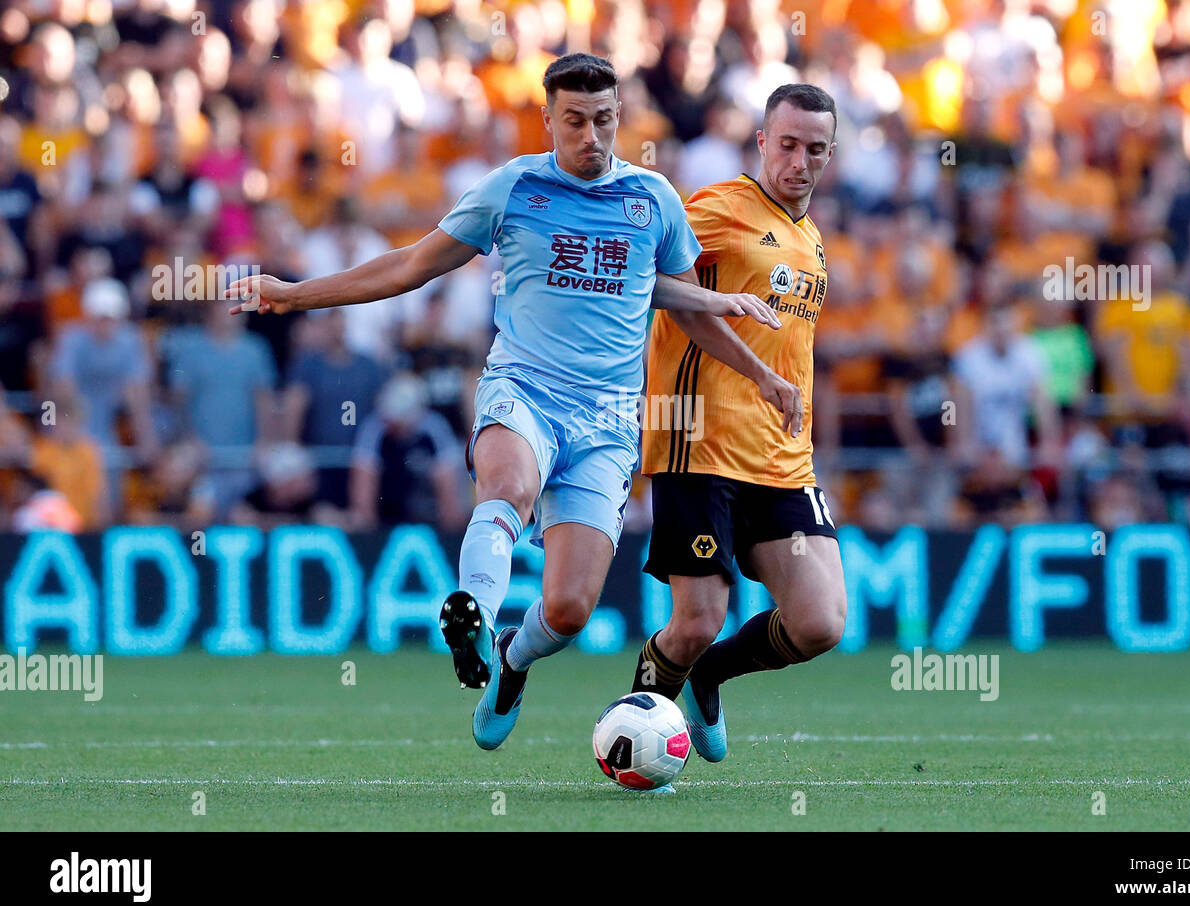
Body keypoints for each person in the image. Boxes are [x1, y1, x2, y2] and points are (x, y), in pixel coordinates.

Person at [224, 53, 800, 751]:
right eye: (576, 121)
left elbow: (674, 297)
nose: (592, 135)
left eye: (605, 120)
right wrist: (295, 293)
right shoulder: (514, 187)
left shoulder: (653, 199)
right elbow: (411, 264)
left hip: (609, 421)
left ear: (621, 116)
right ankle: (473, 609)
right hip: (524, 387)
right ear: (548, 119)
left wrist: (761, 372)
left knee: (568, 608)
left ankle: (511, 658)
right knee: (507, 486)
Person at [629, 84, 848, 765]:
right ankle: (635, 735)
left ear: (830, 155)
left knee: (820, 622)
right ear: (761, 142)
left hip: (782, 457)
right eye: (786, 144)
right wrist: (761, 375)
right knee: (695, 621)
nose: (799, 161)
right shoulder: (718, 208)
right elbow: (678, 301)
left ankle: (710, 676)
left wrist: (788, 400)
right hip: (700, 440)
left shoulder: (812, 241)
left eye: (815, 149)